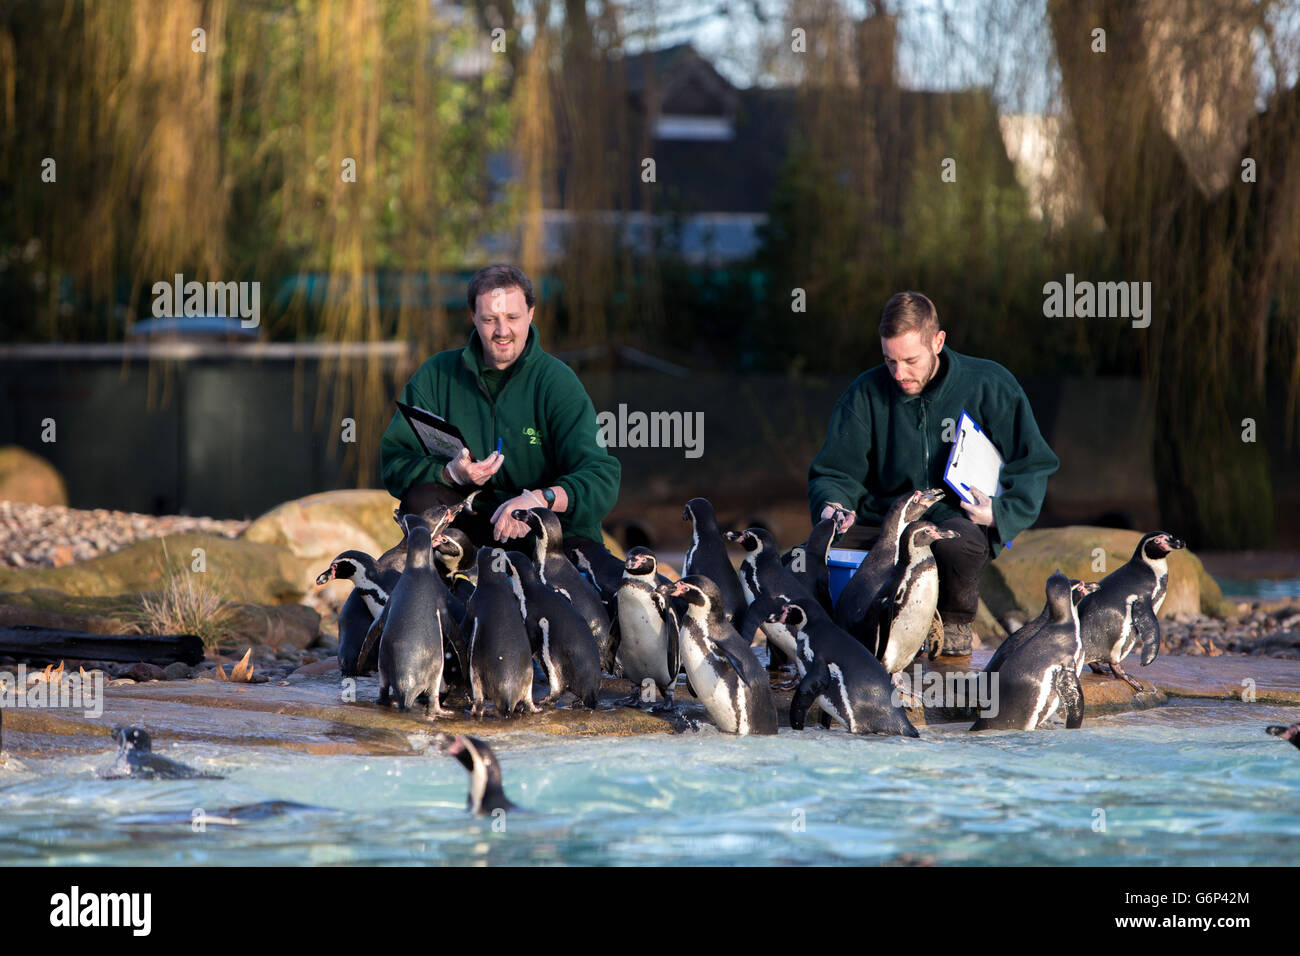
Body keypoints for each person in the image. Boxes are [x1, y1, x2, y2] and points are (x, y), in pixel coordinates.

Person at [807, 291, 1059, 655]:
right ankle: (847, 639)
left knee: (959, 545)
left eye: (910, 360)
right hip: (883, 520)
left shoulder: (990, 383)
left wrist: (1001, 513)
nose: (899, 373)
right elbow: (833, 472)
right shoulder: (864, 394)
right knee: (815, 555)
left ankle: (953, 622)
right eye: (889, 360)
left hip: (954, 519)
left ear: (938, 342)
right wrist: (832, 505)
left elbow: (1033, 462)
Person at [379, 264, 620, 547]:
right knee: (421, 501)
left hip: (546, 532)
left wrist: (540, 499)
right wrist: (449, 473)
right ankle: (443, 581)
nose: (502, 331)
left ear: (531, 314)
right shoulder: (437, 374)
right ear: (473, 317)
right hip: (473, 524)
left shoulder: (557, 382)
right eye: (490, 319)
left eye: (512, 317)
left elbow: (602, 478)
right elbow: (395, 460)